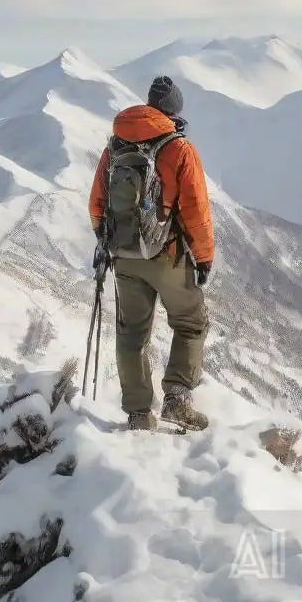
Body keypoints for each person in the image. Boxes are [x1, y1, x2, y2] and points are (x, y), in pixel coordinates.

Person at [88, 75, 214, 431]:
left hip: (124, 254)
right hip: (167, 255)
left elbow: (97, 203)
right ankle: (177, 399)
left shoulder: (115, 147)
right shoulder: (179, 150)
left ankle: (139, 415)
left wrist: (105, 242)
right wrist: (203, 258)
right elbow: (195, 212)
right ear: (175, 110)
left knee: (131, 335)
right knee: (191, 322)